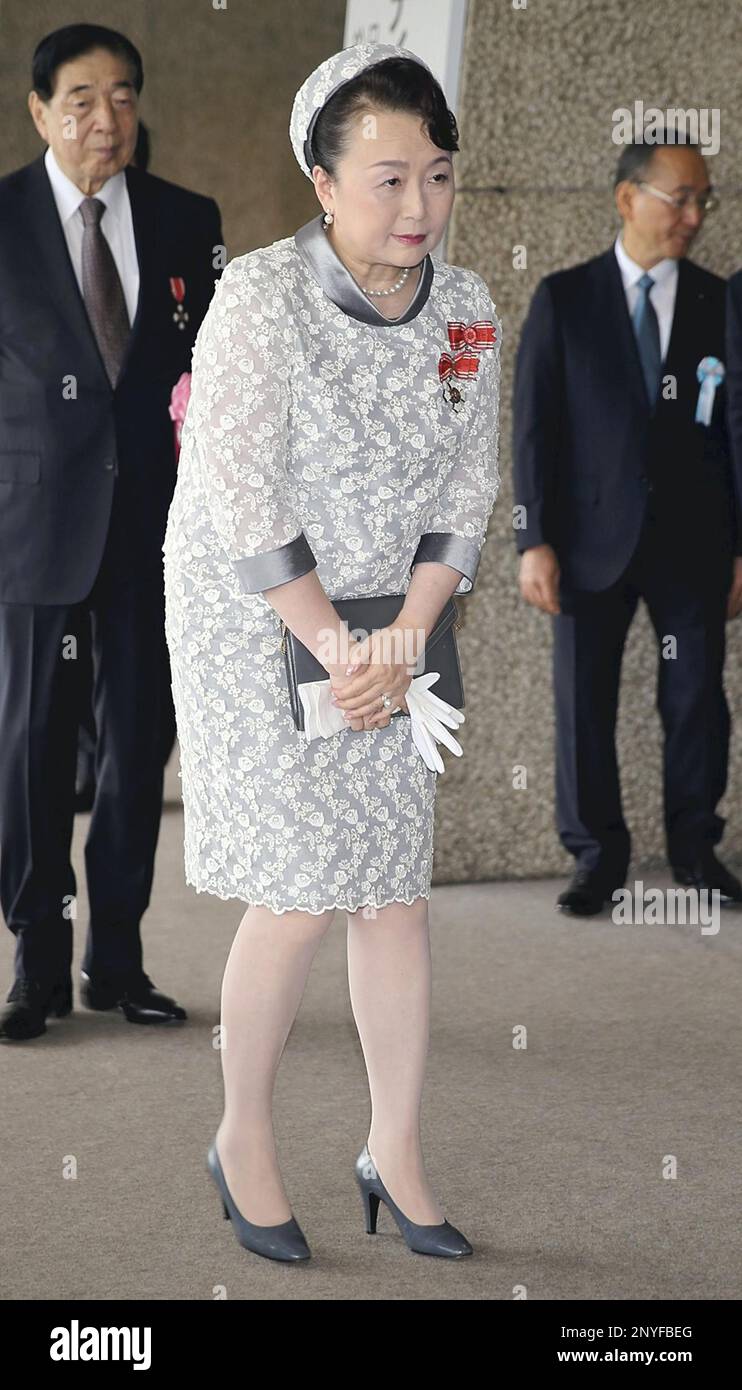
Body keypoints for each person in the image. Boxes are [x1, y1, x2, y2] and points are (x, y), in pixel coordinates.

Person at [163, 42, 501, 1261]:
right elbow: (241, 498)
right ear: (321, 180)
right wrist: (337, 645)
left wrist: (404, 636)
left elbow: (467, 488)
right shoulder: (260, 296)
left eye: (440, 176)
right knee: (302, 891)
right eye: (388, 179)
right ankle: (241, 1135)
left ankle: (393, 1148)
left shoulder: (465, 311)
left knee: (394, 893)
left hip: (395, 618)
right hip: (256, 611)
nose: (420, 208)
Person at [0, 24, 223, 1041]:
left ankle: (117, 958)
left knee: (139, 749)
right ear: (39, 110)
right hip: (33, 529)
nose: (106, 117)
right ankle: (36, 960)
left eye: (123, 95)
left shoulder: (188, 219)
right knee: (33, 749)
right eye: (82, 98)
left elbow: (216, 378)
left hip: (155, 530)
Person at [512, 132, 742, 917]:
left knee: (695, 699)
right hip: (586, 543)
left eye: (703, 199)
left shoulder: (721, 301)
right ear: (627, 199)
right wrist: (530, 537)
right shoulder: (563, 298)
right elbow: (533, 427)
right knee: (584, 701)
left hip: (697, 544)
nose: (693, 214)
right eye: (680, 197)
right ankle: (595, 856)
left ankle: (695, 848)